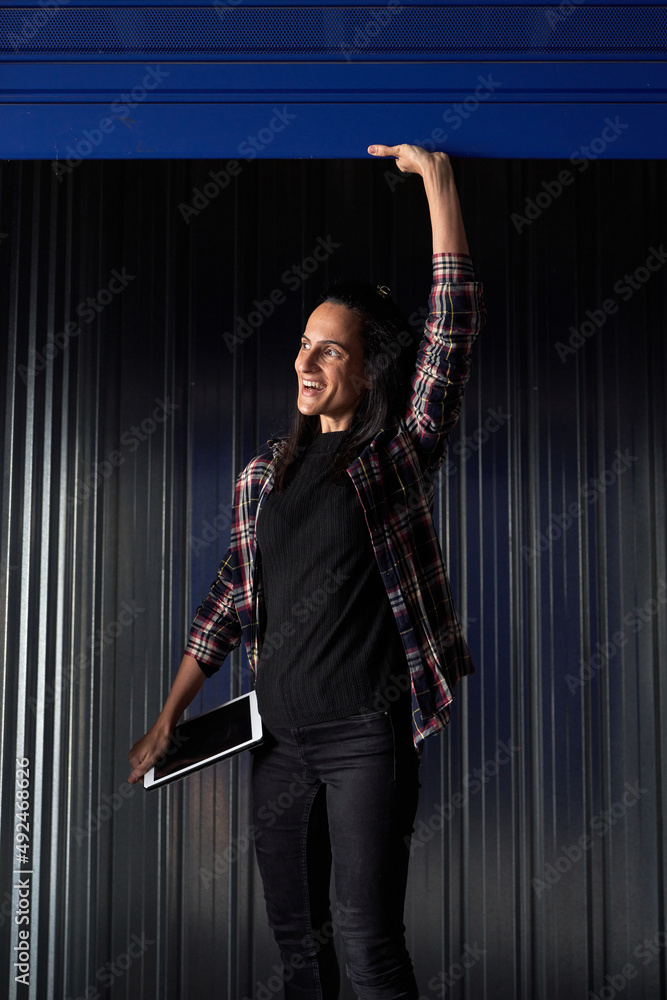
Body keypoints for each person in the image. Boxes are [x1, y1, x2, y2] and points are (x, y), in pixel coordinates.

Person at [128, 143, 486, 1000]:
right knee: (298, 949)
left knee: (366, 946)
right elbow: (224, 604)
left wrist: (436, 182)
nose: (306, 362)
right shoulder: (263, 476)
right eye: (302, 346)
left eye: (330, 351)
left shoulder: (393, 459)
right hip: (277, 743)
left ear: (367, 370)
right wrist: (169, 716)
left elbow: (452, 331)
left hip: (365, 740)